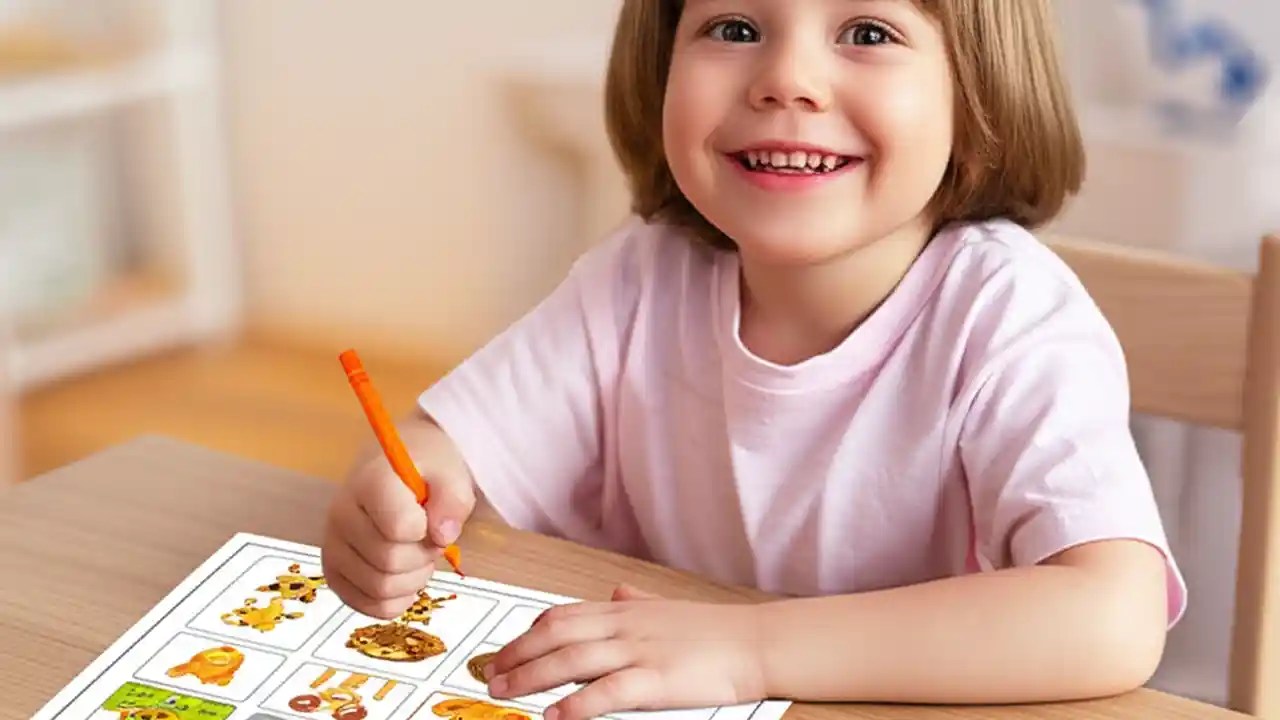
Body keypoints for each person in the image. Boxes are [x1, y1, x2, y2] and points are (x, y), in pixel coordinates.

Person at [322, 0, 1187, 717]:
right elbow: (444, 447)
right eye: (735, 27)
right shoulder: (640, 276)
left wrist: (752, 647)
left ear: (977, 92)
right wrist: (400, 489)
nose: (785, 80)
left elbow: (1112, 614)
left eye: (869, 32)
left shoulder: (1010, 317)